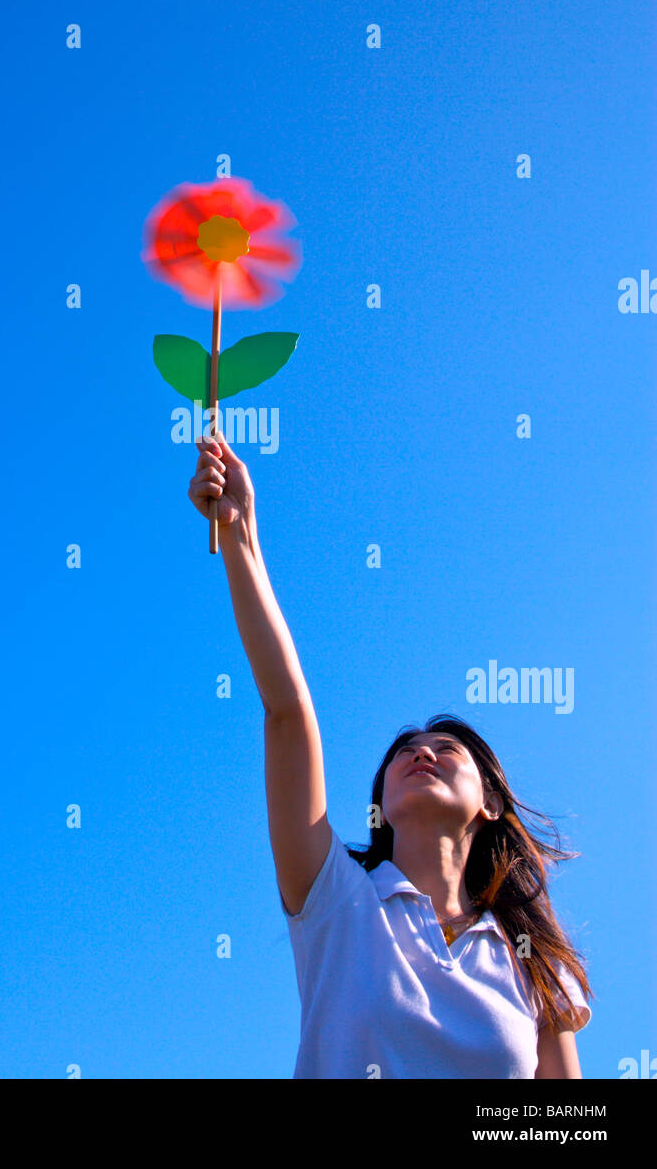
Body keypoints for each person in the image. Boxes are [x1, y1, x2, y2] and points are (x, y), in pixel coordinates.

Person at [188, 431, 592, 1080]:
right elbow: (287, 714)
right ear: (380, 804)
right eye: (405, 751)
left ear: (490, 802)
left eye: (446, 747)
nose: (423, 752)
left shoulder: (530, 956)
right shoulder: (335, 899)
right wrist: (239, 535)